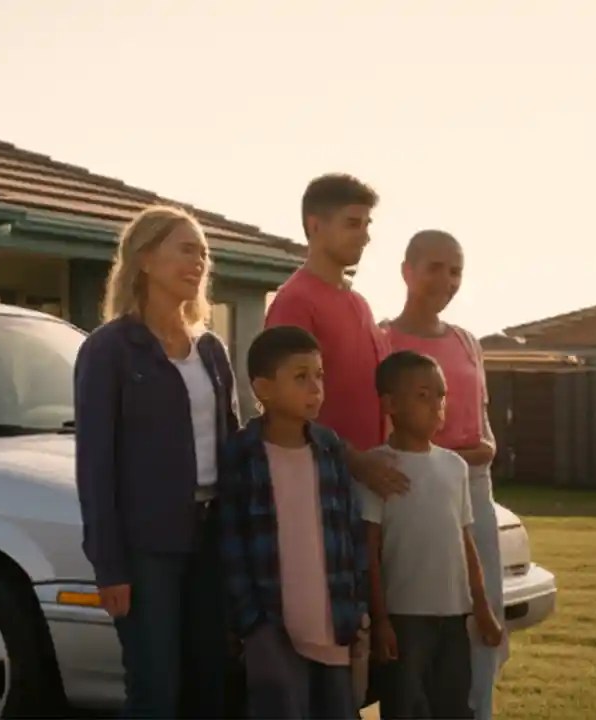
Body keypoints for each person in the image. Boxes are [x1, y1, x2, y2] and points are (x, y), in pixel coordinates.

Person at [74, 204, 240, 718]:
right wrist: (109, 565)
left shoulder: (212, 350)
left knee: (212, 680)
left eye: (204, 254)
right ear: (145, 259)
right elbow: (95, 466)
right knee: (156, 686)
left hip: (212, 538)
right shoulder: (109, 350)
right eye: (185, 249)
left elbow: (231, 444)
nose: (199, 263)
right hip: (147, 548)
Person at [383, 229, 507, 719]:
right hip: (413, 485)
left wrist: (490, 444)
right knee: (423, 614)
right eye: (434, 267)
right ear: (407, 271)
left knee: (484, 611)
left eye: (455, 270)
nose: (446, 280)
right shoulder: (383, 336)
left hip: (473, 486)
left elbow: (480, 411)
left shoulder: (467, 341)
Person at [220, 325, 368, 719]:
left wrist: (358, 607)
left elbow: (352, 535)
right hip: (272, 627)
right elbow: (231, 543)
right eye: (301, 377)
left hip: (332, 623)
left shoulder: (330, 448)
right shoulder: (242, 453)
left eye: (319, 376)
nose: (315, 387)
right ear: (263, 389)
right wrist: (251, 622)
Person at [359, 350, 504, 720]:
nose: (437, 405)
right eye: (423, 395)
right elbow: (369, 551)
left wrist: (482, 607)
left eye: (441, 395)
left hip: (454, 617)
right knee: (407, 707)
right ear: (390, 403)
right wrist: (381, 621)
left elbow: (466, 543)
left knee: (454, 706)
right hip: (404, 619)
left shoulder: (454, 467)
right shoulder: (378, 468)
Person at [264, 173, 409, 502]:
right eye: (353, 223)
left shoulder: (359, 303)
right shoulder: (295, 302)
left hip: (374, 483)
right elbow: (284, 405)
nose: (365, 236)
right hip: (322, 483)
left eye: (367, 224)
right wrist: (356, 462)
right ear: (315, 226)